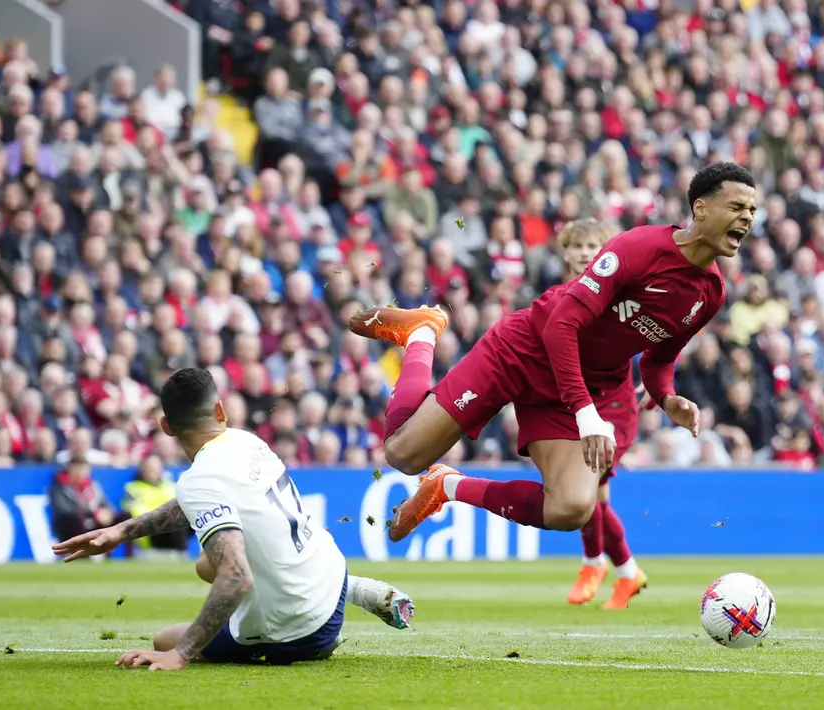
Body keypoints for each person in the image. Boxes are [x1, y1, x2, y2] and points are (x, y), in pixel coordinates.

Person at [347, 162, 756, 549]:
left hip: (575, 386)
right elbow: (561, 325)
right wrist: (586, 412)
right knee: (403, 454)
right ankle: (421, 333)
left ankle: (446, 486)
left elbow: (658, 359)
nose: (747, 217)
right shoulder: (641, 246)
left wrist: (667, 397)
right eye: (737, 206)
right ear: (700, 208)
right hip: (523, 351)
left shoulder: (710, 294)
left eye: (752, 210)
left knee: (570, 508)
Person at [51, 368, 414, 670]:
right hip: (331, 573)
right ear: (221, 411)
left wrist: (181, 654)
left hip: (304, 630)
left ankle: (309, 630)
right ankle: (357, 589)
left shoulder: (199, 480)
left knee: (166, 638)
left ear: (166, 426)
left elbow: (237, 576)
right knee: (207, 563)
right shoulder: (246, 441)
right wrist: (123, 530)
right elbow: (192, 504)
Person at [553, 219, 645, 610]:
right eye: (578, 246)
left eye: (593, 245)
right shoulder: (558, 296)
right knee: (595, 496)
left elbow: (653, 330)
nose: (585, 252)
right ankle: (626, 572)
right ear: (565, 252)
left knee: (588, 489)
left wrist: (658, 380)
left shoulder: (619, 292)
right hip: (581, 404)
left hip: (616, 406)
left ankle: (595, 564)